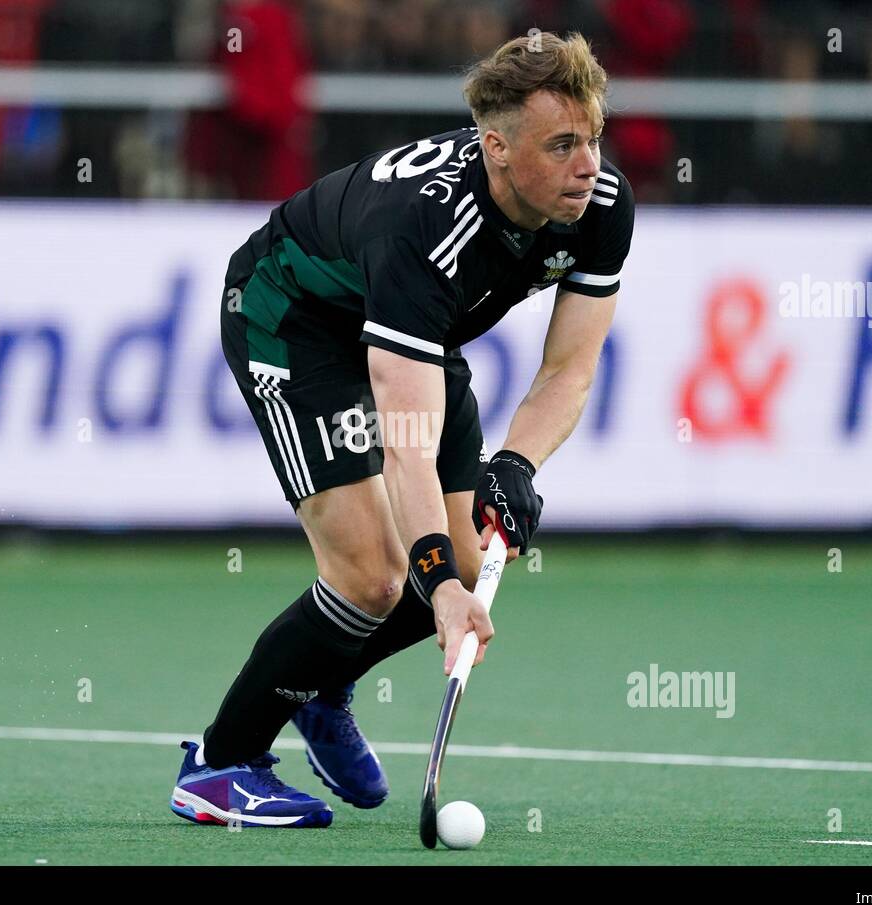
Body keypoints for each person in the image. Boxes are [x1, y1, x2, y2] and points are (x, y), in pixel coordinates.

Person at [172, 31, 635, 828]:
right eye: (561, 145)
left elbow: (569, 370)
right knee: (378, 578)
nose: (587, 163)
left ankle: (320, 682)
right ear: (496, 147)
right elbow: (407, 441)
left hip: (414, 335)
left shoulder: (598, 205)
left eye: (592, 138)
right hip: (295, 319)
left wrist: (516, 464)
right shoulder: (422, 229)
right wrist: (441, 585)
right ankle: (219, 766)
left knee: (461, 556)